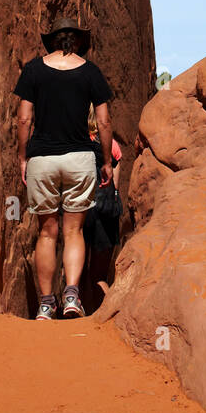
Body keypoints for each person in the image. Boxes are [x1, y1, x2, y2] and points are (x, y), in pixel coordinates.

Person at [15, 15, 113, 320]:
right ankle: (71, 296)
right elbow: (104, 121)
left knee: (47, 232)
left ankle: (46, 304)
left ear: (52, 41)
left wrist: (23, 157)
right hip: (79, 159)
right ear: (79, 41)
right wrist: (106, 161)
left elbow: (23, 118)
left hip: (42, 159)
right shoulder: (90, 72)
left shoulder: (33, 70)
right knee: (74, 231)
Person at [80, 105, 123, 313]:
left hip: (80, 209)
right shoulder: (112, 145)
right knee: (99, 276)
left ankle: (77, 317)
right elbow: (116, 186)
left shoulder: (75, 141)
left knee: (77, 272)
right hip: (105, 211)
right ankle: (105, 316)